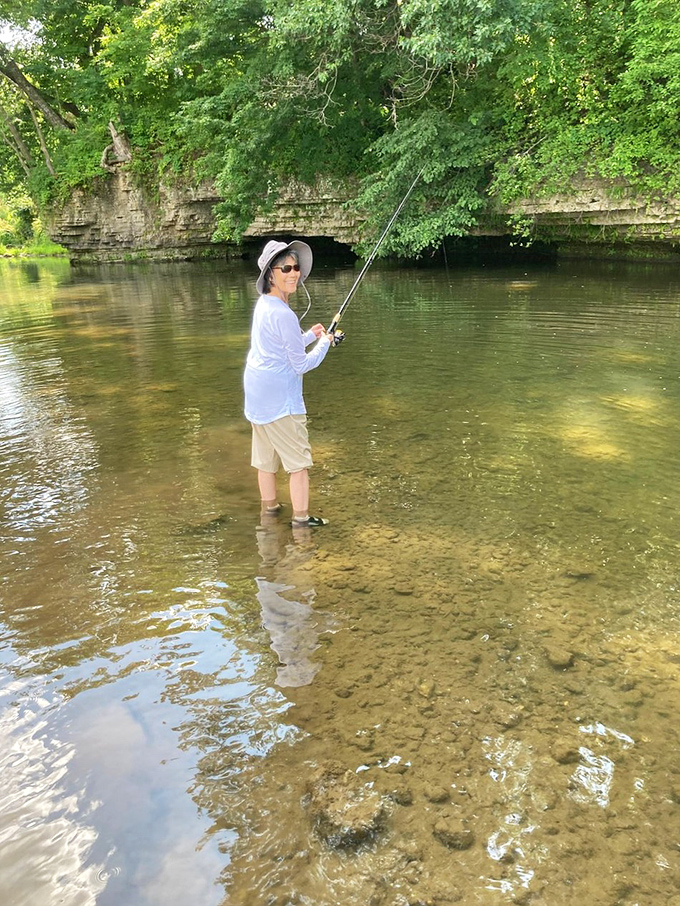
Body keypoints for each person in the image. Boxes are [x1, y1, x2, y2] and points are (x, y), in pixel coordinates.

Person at [244, 239, 332, 527]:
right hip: (281, 402)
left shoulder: (264, 305)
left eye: (296, 268)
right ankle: (301, 522)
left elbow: (278, 347)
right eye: (286, 268)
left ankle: (269, 513)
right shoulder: (283, 314)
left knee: (265, 463)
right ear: (271, 273)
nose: (294, 273)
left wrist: (308, 336)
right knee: (299, 466)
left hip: (257, 399)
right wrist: (326, 343)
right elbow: (301, 364)